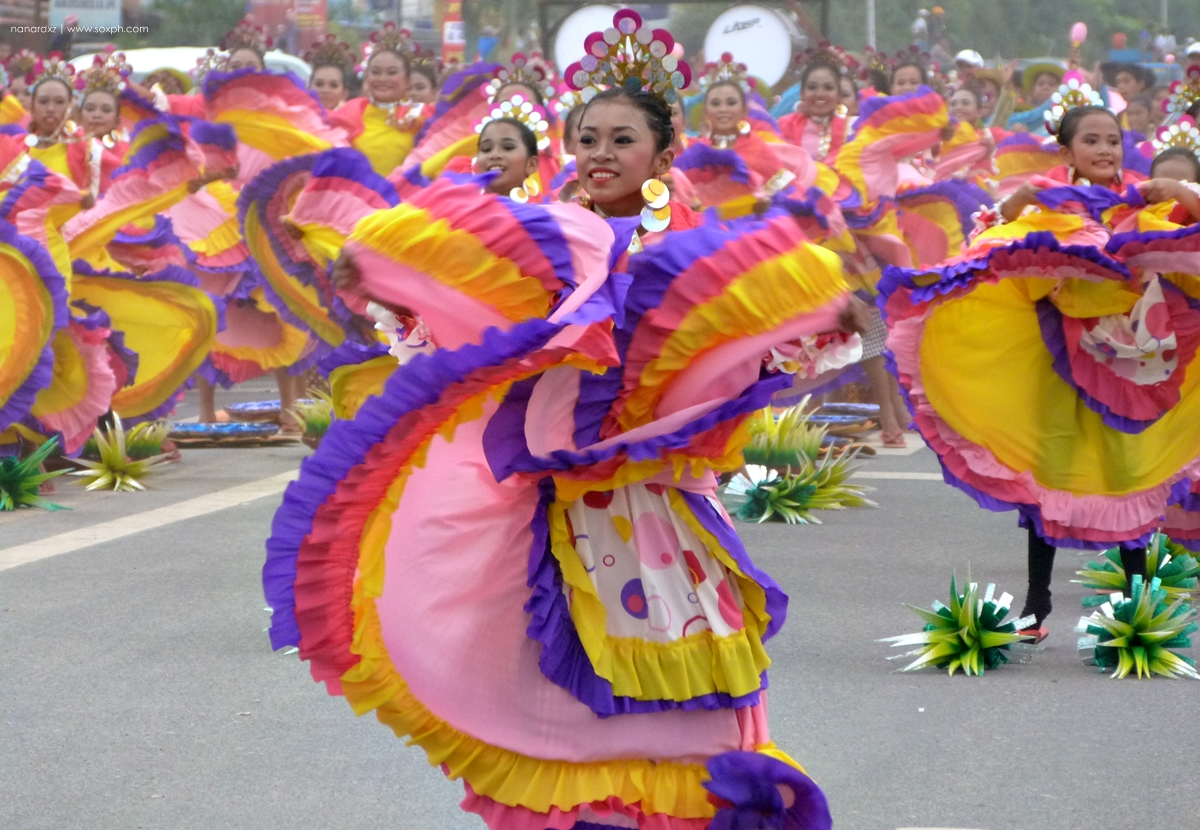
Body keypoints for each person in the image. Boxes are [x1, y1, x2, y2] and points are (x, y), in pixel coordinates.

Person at [266, 12, 850, 827]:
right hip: (551, 503)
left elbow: (747, 319)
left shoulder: (689, 245)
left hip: (659, 506)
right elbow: (469, 298)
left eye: (622, 140)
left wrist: (815, 309)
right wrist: (385, 274)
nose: (601, 155)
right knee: (544, 691)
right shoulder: (547, 239)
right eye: (588, 139)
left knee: (680, 709)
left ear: (662, 154)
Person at [878, 96, 1200, 644]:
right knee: (1049, 472)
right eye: (1091, 140)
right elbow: (997, 242)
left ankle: (1136, 606)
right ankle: (1036, 604)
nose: (1103, 149)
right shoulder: (1048, 201)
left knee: (1129, 471)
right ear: (1067, 149)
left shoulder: (1140, 199)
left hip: (1133, 363)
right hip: (1055, 362)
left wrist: (1183, 193)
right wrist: (1016, 209)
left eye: (1112, 141)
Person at [327, 22, 424, 176]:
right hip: (359, 197)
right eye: (376, 72)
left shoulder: (421, 116)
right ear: (367, 77)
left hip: (408, 197)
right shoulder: (348, 113)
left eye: (392, 72)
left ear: (407, 81)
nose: (383, 78)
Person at [778, 53, 850, 162]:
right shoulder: (784, 127)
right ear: (802, 93)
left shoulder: (853, 128)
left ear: (839, 95)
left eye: (828, 88)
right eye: (812, 87)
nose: (820, 94)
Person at [474, 115, 540, 197]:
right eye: (486, 149)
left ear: (531, 164)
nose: (494, 155)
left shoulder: (547, 209)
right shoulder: (463, 207)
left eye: (508, 147)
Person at [304, 33, 355, 111]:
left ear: (344, 94)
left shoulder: (354, 121)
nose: (325, 90)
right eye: (319, 84)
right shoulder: (294, 119)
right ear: (308, 87)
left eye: (333, 85)